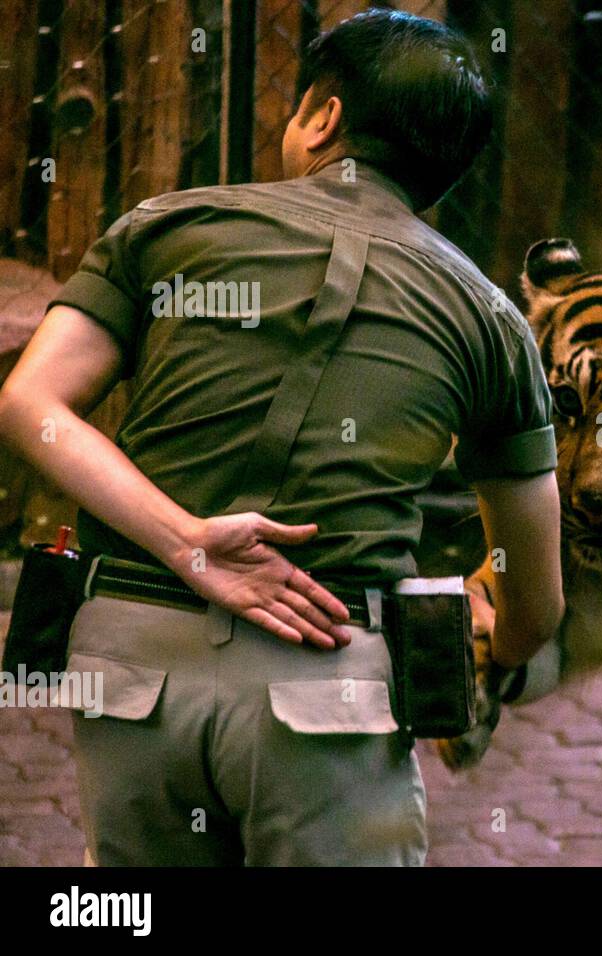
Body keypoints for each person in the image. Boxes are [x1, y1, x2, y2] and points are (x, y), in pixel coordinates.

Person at [0, 9, 563, 866]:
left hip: (128, 678)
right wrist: (496, 629)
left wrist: (189, 544)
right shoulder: (490, 318)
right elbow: (539, 601)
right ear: (440, 177)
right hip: (327, 692)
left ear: (324, 117)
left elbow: (30, 404)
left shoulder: (162, 227)